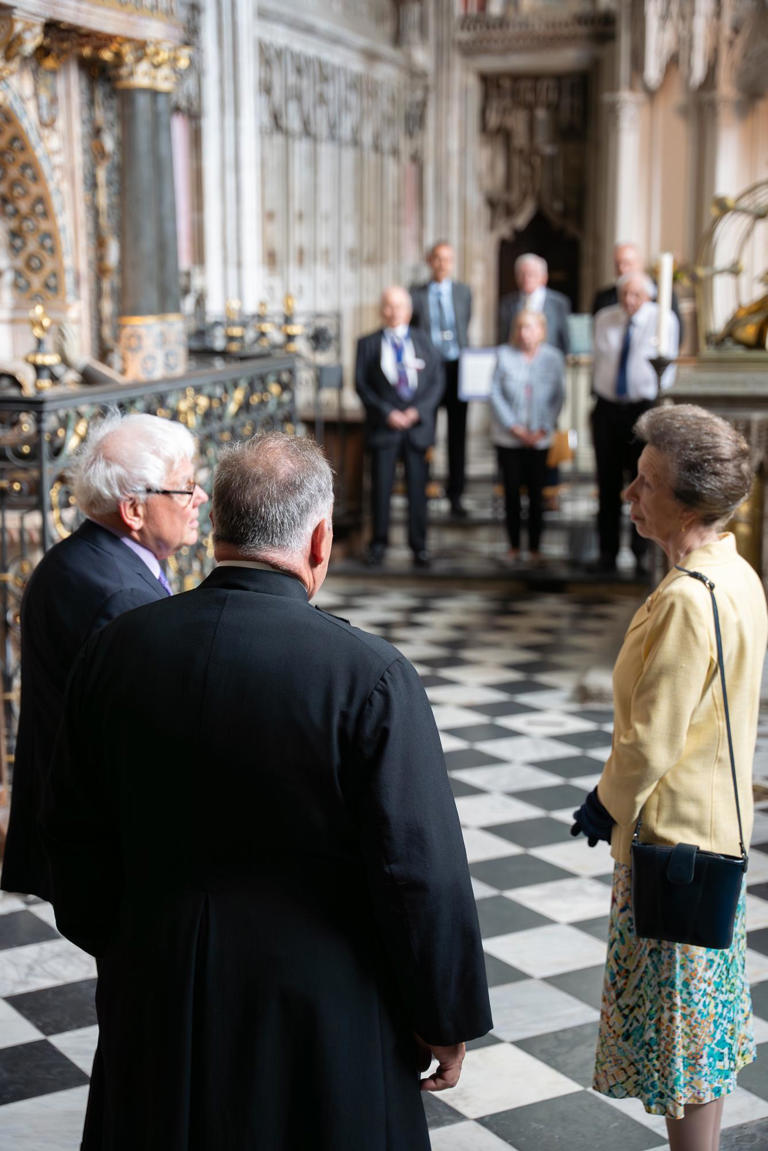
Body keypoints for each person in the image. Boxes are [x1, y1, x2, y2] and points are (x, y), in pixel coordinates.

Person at [42, 432, 492, 1151]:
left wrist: (141, 942)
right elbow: (419, 872)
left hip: (155, 998)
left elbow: (68, 832)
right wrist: (446, 1011)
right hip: (323, 1017)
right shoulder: (368, 675)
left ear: (217, 526)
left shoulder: (115, 650)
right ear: (320, 540)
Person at [571, 404, 766, 1151]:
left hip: (676, 847)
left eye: (646, 483)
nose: (629, 494)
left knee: (686, 1034)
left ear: (686, 502)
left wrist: (602, 805)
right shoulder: (736, 571)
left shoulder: (690, 598)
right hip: (716, 834)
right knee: (701, 1030)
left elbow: (651, 741)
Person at [1, 412, 206, 902]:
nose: (201, 498)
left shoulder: (79, 558)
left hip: (80, 826)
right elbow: (145, 736)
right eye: (185, 488)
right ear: (133, 510)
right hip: (109, 845)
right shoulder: (119, 598)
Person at [591, 271, 679, 576]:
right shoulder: (604, 318)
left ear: (649, 296)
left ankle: (641, 555)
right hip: (607, 408)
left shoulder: (663, 319)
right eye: (624, 294)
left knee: (644, 483)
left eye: (636, 295)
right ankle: (606, 553)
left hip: (644, 410)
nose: (629, 301)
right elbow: (600, 361)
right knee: (606, 483)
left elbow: (667, 368)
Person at [356, 284, 443, 567]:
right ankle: (378, 544)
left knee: (419, 489)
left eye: (400, 306)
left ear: (409, 310)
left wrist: (417, 411)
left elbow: (436, 381)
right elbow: (362, 385)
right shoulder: (367, 343)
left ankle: (419, 546)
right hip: (385, 427)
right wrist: (387, 413)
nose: (394, 312)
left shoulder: (424, 340)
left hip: (417, 428)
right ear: (382, 310)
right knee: (380, 489)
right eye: (389, 306)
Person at [490, 310, 565, 563]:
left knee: (536, 494)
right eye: (521, 327)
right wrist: (515, 428)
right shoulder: (503, 354)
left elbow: (558, 396)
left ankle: (535, 547)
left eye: (531, 328)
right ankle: (513, 546)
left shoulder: (553, 358)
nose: (525, 333)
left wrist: (543, 427)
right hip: (509, 437)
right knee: (511, 493)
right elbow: (495, 394)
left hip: (540, 437)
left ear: (541, 330)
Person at [410, 241, 473, 518]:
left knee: (458, 435)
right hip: (428, 369)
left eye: (447, 259)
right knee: (426, 433)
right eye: (437, 258)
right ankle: (423, 489)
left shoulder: (463, 291)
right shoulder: (416, 293)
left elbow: (464, 323)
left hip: (457, 366)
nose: (442, 264)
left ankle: (456, 495)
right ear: (429, 260)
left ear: (453, 261)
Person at [591, 241, 683, 337]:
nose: (622, 268)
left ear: (640, 263)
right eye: (617, 264)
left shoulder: (663, 294)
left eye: (627, 263)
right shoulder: (603, 298)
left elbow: (676, 335)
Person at [497, 253, 571, 355]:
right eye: (522, 274)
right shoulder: (507, 304)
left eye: (532, 274)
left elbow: (565, 340)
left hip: (549, 363)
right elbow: (503, 338)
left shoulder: (559, 303)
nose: (526, 278)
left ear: (544, 277)